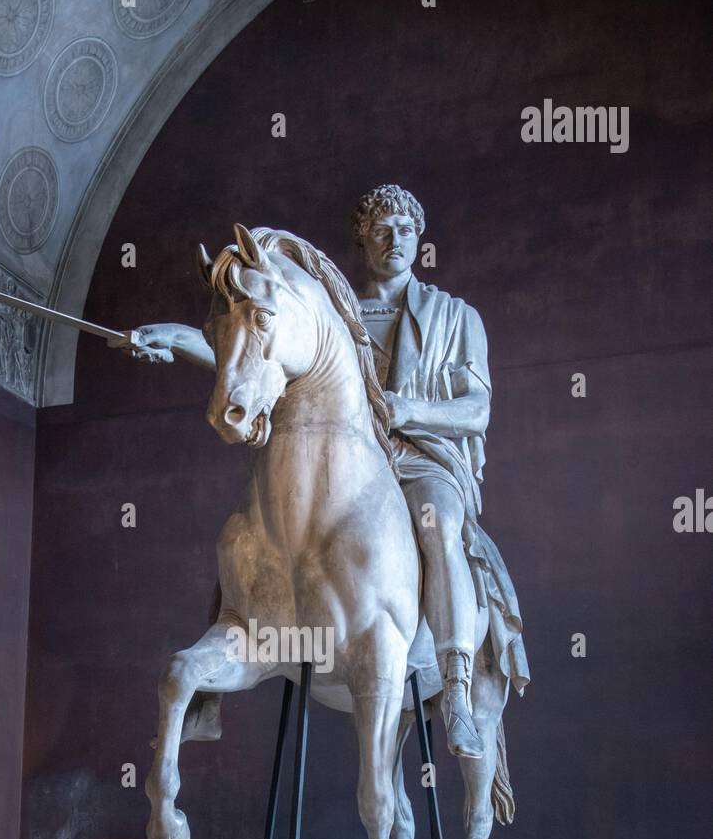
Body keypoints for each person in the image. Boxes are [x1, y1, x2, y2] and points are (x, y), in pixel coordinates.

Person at [116, 185, 527, 753]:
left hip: (418, 460)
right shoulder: (332, 310)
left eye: (405, 229)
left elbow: (476, 409)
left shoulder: (455, 317)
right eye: (382, 230)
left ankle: (455, 688)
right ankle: (219, 678)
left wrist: (409, 409)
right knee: (259, 537)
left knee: (436, 524)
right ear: (362, 239)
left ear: (420, 236)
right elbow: (255, 355)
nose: (394, 240)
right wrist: (171, 338)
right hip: (342, 465)